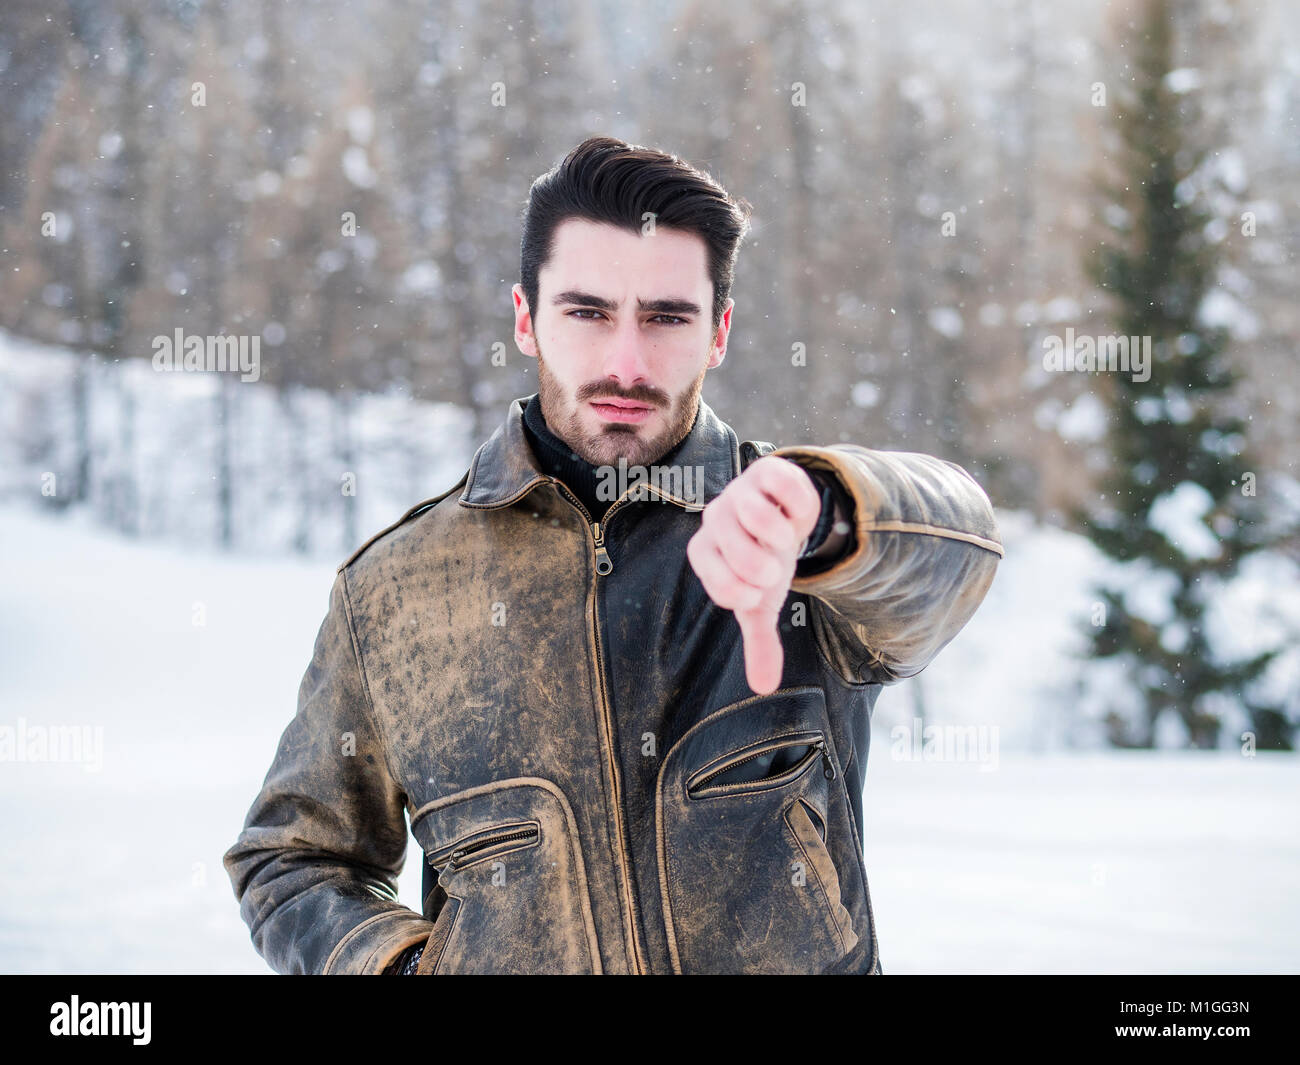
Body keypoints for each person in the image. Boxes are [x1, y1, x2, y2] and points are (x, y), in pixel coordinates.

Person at [223, 135, 1004, 975]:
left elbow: (960, 544)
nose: (626, 364)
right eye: (587, 311)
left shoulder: (800, 541)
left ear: (720, 332)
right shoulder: (393, 591)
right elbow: (292, 858)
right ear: (525, 318)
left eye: (667, 317)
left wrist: (832, 514)